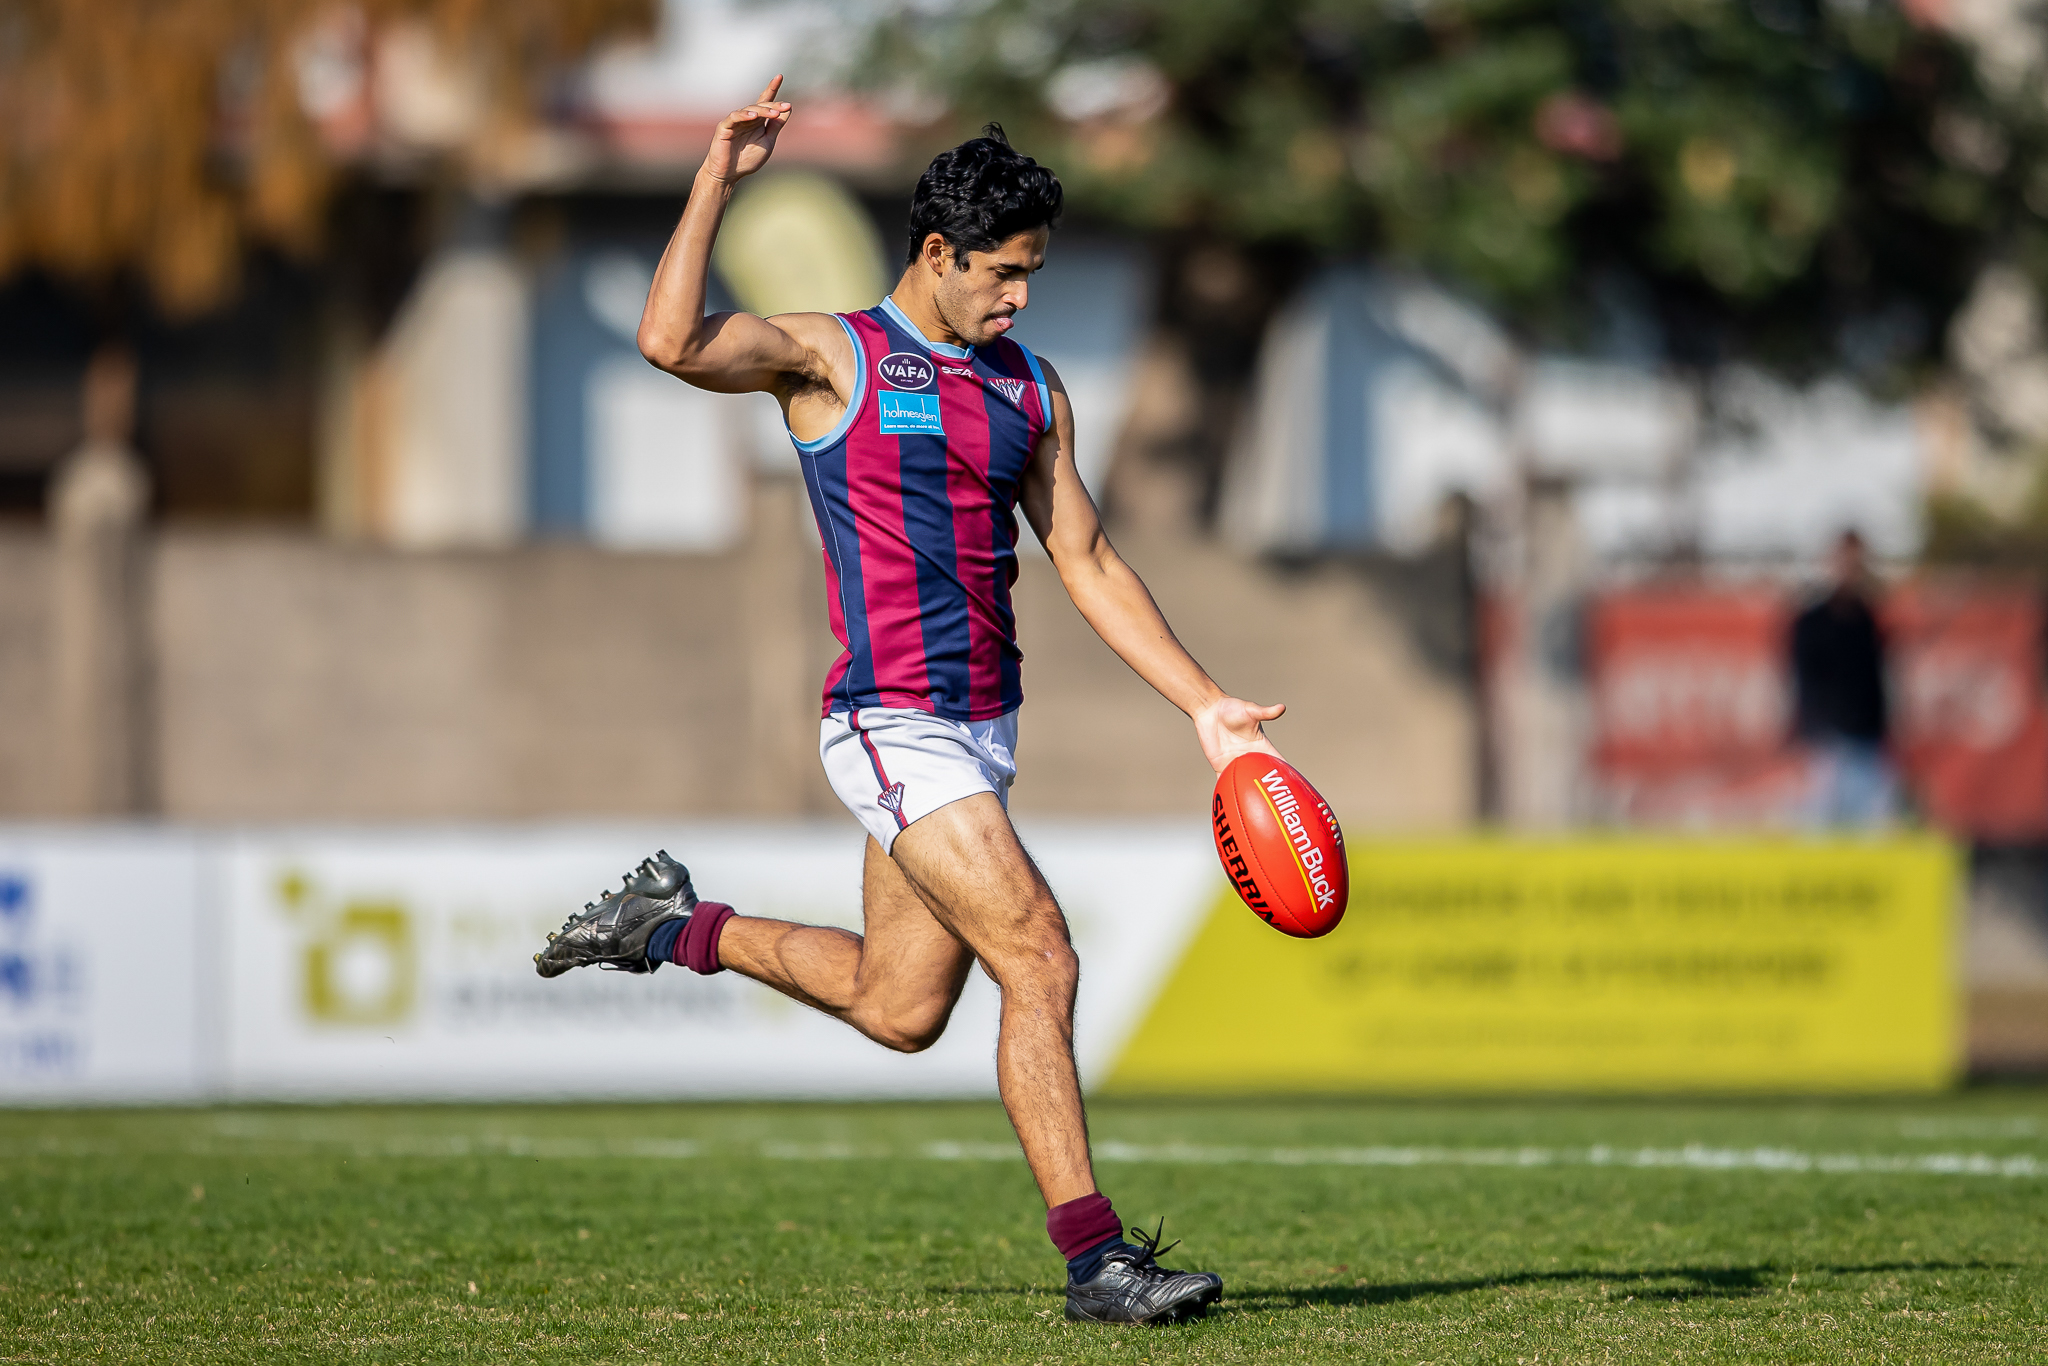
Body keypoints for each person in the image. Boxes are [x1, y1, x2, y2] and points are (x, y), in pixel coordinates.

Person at [534, 77, 1287, 1326]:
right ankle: (1099, 1264)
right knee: (1039, 957)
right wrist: (718, 171)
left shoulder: (1030, 389)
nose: (1020, 295)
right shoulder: (837, 358)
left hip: (980, 737)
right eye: (1002, 271)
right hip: (889, 725)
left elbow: (1087, 561)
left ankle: (671, 925)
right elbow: (668, 342)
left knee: (900, 1008)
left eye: (1032, 272)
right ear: (936, 253)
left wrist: (1203, 707)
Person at [1789, 529, 1896, 827]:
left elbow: (1877, 683)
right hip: (1825, 746)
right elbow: (1802, 683)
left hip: (1866, 743)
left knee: (1871, 831)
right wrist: (1812, 733)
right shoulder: (1811, 622)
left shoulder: (1868, 620)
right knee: (1821, 833)